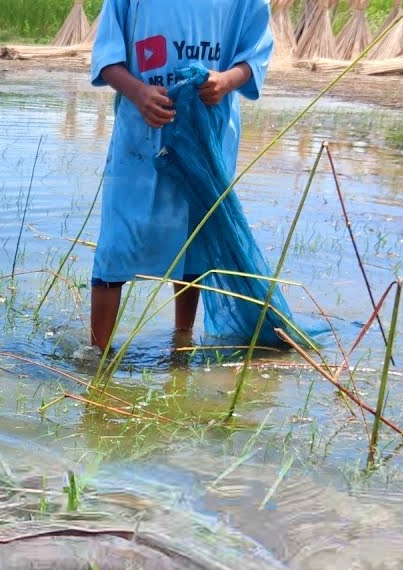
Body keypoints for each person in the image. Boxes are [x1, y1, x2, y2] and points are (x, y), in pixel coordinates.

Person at [88, 0, 273, 351]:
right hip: (139, 135)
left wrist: (226, 80)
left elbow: (256, 53)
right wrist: (138, 91)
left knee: (193, 240)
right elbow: (107, 59)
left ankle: (182, 342)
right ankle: (96, 356)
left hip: (208, 132)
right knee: (117, 242)